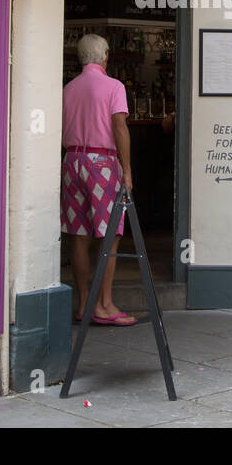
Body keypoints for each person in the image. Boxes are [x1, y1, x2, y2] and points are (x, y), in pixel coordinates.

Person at [60, 34, 136, 325]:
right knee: (110, 235)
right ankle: (103, 305)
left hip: (71, 161)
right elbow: (120, 126)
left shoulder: (68, 88)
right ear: (105, 55)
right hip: (101, 162)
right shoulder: (113, 86)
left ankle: (83, 305)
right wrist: (126, 170)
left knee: (78, 236)